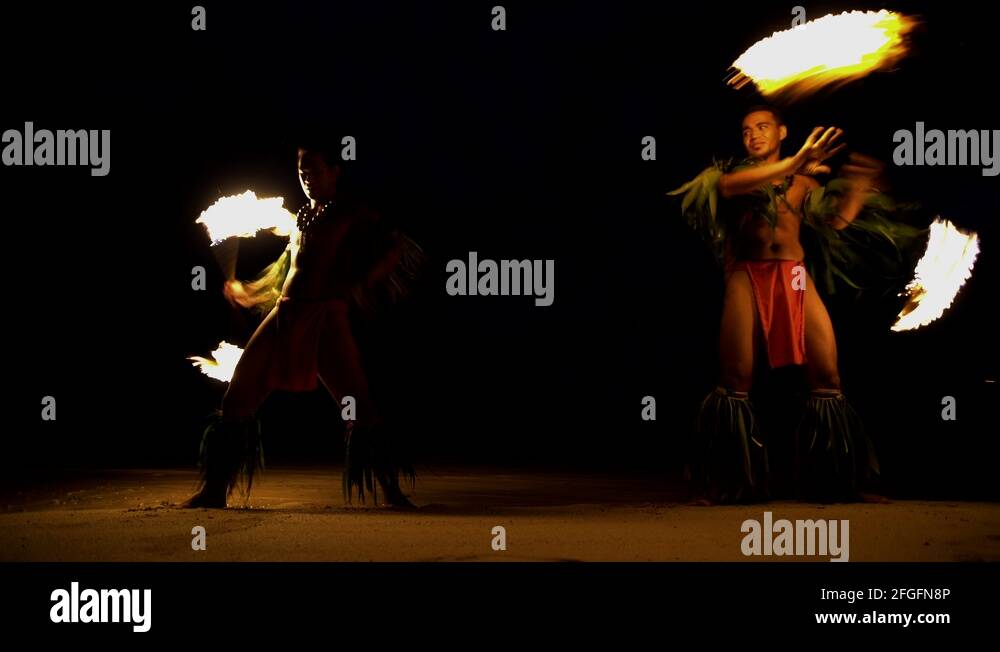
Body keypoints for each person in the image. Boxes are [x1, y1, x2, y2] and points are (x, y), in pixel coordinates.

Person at [669, 105, 921, 503]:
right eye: (747, 129)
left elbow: (833, 223)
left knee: (829, 377)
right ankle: (727, 482)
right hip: (747, 272)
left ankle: (840, 482)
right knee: (736, 378)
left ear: (783, 131)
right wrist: (794, 161)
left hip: (795, 274)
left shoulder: (804, 181)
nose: (753, 134)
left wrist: (857, 188)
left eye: (763, 126)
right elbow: (728, 189)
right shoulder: (735, 175)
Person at [183, 140, 422, 509]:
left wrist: (360, 283)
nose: (307, 178)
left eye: (315, 171)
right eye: (302, 172)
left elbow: (394, 244)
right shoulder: (303, 215)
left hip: (326, 319)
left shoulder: (349, 211)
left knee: (358, 405)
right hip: (287, 312)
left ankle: (392, 492)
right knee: (237, 398)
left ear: (335, 172)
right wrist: (248, 290)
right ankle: (213, 492)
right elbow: (289, 268)